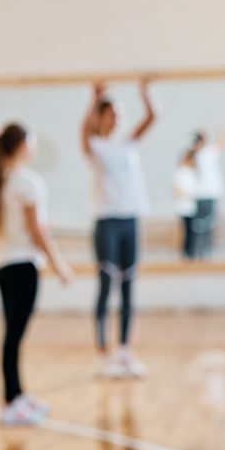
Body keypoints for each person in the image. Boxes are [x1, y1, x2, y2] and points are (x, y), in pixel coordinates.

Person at [0, 123, 73, 426]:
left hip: (3, 265)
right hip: (22, 266)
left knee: (13, 334)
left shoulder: (3, 180)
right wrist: (59, 266)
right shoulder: (27, 182)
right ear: (23, 146)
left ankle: (17, 396)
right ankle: (11, 400)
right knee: (14, 335)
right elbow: (38, 231)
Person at [82, 77, 155, 379]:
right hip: (106, 222)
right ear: (101, 116)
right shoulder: (97, 146)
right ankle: (103, 354)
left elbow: (153, 117)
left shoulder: (128, 144)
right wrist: (93, 99)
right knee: (105, 287)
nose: (118, 119)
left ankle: (124, 351)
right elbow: (83, 133)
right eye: (112, 113)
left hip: (130, 220)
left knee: (127, 288)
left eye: (120, 114)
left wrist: (146, 92)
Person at [192, 128, 225, 258]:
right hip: (208, 194)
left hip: (201, 194)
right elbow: (222, 145)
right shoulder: (207, 152)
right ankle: (204, 251)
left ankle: (202, 251)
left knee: (201, 225)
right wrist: (222, 131)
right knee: (207, 224)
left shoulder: (196, 154)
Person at [173, 150, 198, 259]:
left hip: (192, 206)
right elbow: (176, 189)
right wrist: (188, 193)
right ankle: (186, 253)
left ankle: (191, 252)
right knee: (186, 231)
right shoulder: (179, 173)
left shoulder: (192, 173)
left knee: (192, 231)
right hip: (183, 206)